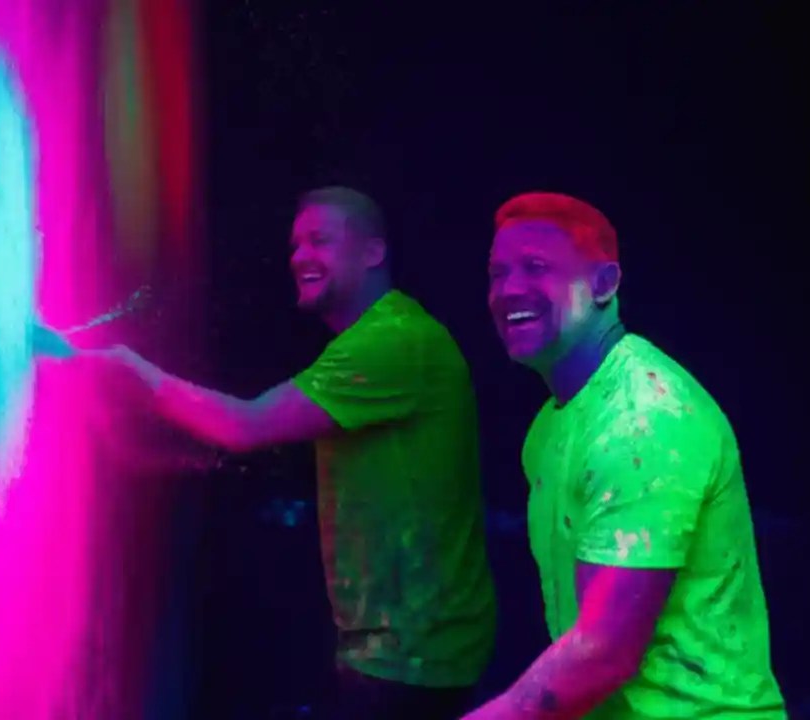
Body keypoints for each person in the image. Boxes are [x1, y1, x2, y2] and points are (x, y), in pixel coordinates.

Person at [75, 187, 497, 719]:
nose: (299, 257)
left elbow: (244, 426)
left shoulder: (392, 341)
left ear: (373, 252)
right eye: (295, 245)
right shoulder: (383, 338)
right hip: (409, 651)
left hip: (412, 660)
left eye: (319, 240)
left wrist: (133, 373)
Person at [463, 192, 785, 719]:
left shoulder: (644, 418)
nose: (509, 289)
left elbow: (604, 652)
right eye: (497, 273)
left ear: (604, 285)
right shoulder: (552, 425)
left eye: (536, 267)